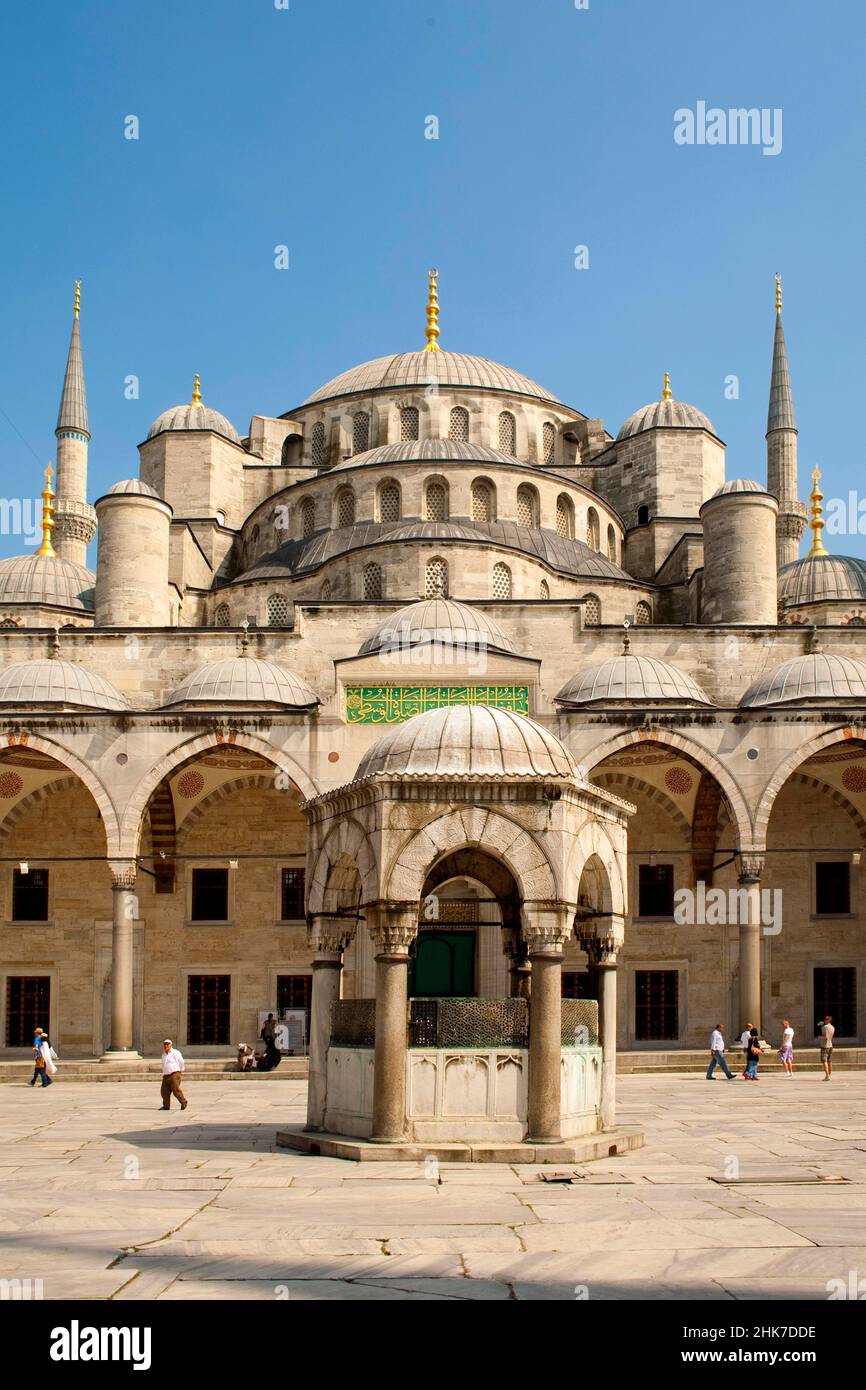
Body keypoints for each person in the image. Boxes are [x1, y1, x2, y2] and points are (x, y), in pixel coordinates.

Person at [160, 1039, 188, 1111]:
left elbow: (181, 1061)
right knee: (164, 1091)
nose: (166, 1045)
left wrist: (180, 1071)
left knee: (176, 1090)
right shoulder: (163, 1054)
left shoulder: (175, 1052)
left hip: (174, 1074)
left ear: (171, 1045)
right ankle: (166, 1106)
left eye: (167, 1044)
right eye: (165, 1044)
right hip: (166, 1075)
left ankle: (183, 1102)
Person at [820, 1015, 835, 1080]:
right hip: (830, 1045)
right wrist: (822, 1027)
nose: (824, 1020)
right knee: (830, 1060)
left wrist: (819, 1037)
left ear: (827, 1020)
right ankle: (829, 1075)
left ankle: (827, 1076)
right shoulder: (832, 1027)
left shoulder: (825, 1027)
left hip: (825, 1046)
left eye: (825, 1019)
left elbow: (825, 1037)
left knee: (825, 1061)